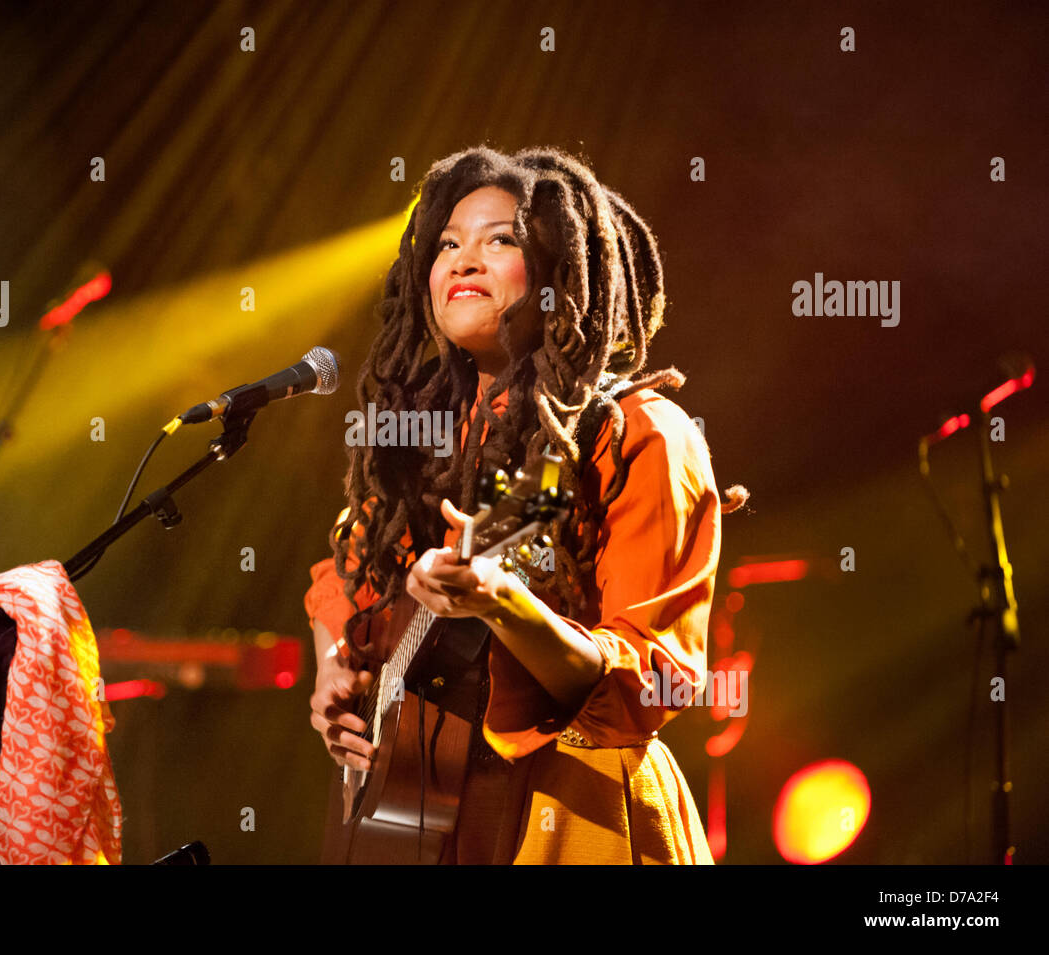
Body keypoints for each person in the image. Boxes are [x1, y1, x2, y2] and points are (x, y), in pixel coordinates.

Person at [305, 145, 746, 864]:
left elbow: (651, 680)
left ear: (563, 275)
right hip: (420, 808)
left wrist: (502, 603)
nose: (463, 260)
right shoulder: (425, 437)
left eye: (499, 240)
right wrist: (336, 670)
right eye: (448, 243)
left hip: (572, 803)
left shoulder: (640, 433)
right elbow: (342, 578)